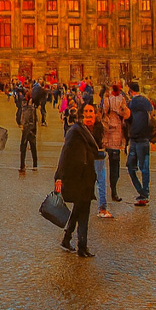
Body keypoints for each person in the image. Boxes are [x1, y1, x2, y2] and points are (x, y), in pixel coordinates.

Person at [55, 102, 107, 258]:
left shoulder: (95, 131)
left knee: (81, 209)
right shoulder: (75, 131)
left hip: (87, 176)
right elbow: (65, 154)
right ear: (80, 116)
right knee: (82, 210)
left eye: (91, 112)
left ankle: (70, 239)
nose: (89, 116)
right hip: (76, 176)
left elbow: (94, 150)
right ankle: (81, 246)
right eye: (86, 113)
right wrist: (58, 176)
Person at [125, 82, 154, 206]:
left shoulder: (132, 103)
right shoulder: (146, 101)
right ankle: (145, 192)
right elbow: (152, 114)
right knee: (144, 167)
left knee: (131, 166)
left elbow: (125, 116)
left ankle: (142, 192)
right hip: (144, 139)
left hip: (135, 138)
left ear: (130, 91)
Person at [100, 83, 129, 202]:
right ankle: (114, 190)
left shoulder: (107, 99)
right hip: (117, 133)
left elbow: (104, 111)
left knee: (105, 163)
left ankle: (103, 190)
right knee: (115, 165)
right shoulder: (122, 99)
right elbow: (125, 114)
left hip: (107, 132)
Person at [18, 99, 38, 174]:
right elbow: (34, 120)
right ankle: (30, 164)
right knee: (30, 147)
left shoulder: (28, 109)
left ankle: (23, 165)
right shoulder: (30, 109)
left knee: (25, 147)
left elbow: (31, 120)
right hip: (29, 130)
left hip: (27, 130)